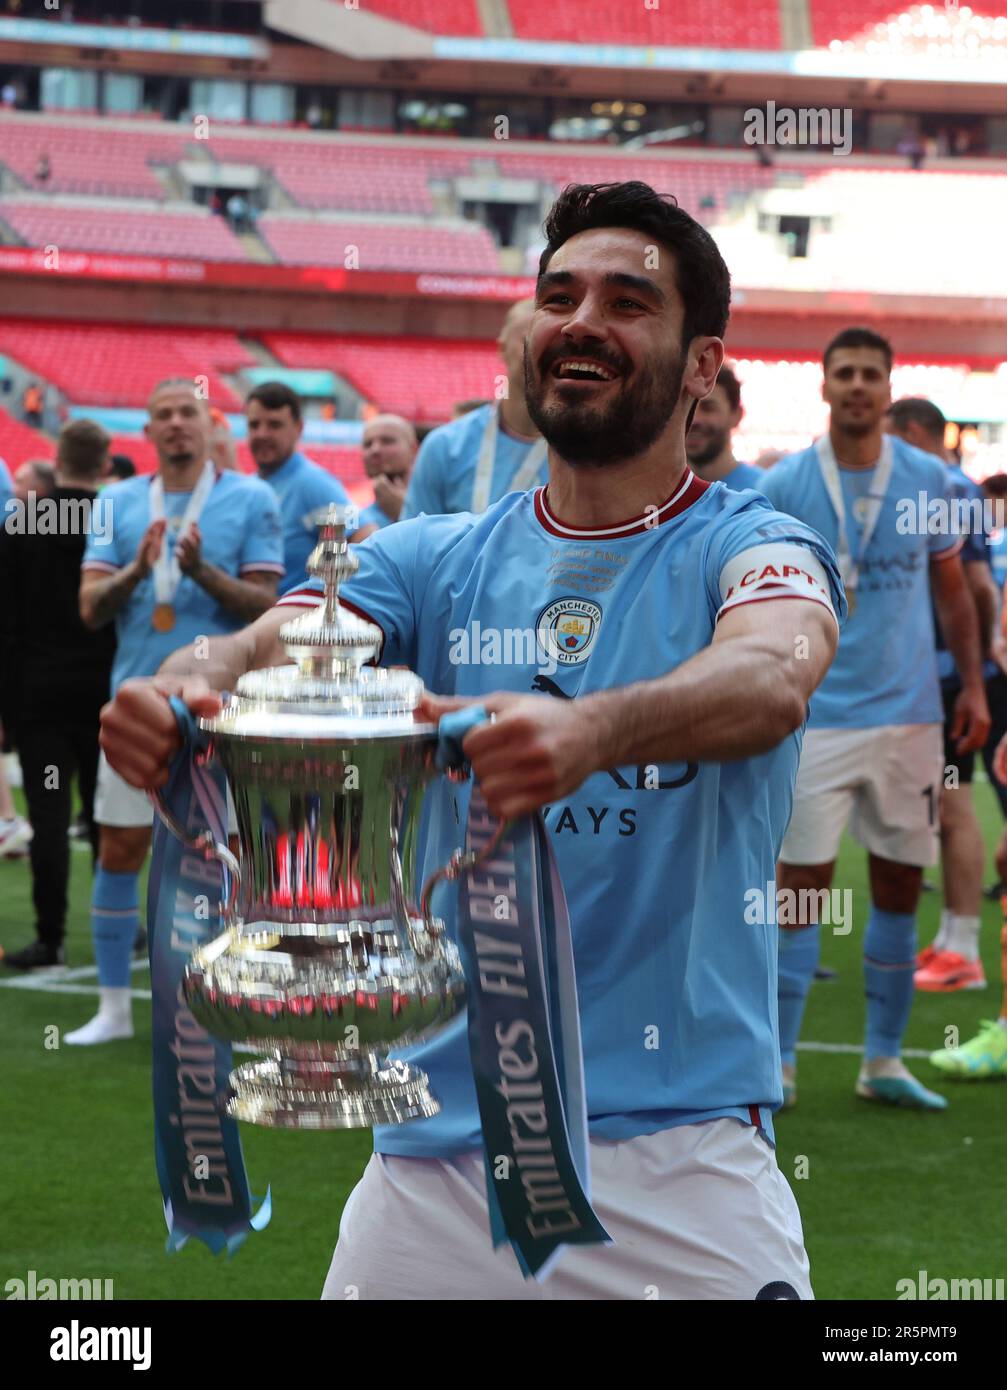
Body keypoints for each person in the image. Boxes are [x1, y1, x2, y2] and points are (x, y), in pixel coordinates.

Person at [101, 180, 845, 1300]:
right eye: (559, 294)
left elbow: (773, 671)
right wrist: (176, 688)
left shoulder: (753, 540)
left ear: (702, 365)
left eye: (628, 300)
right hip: (431, 1169)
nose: (582, 318)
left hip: (677, 1162)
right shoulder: (421, 556)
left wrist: (595, 728)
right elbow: (270, 643)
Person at [759, 327, 989, 1111]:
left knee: (896, 884)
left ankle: (882, 1062)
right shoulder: (785, 484)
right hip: (813, 714)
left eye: (870, 375)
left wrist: (972, 689)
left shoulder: (928, 479)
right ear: (823, 388)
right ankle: (779, 1068)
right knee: (800, 888)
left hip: (909, 716)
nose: (857, 386)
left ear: (888, 391)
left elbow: (950, 591)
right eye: (844, 374)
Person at [67, 379, 284, 1045]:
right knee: (121, 845)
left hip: (227, 709)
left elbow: (266, 608)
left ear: (206, 422)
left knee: (236, 856)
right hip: (138, 704)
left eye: (186, 412)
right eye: (161, 415)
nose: (175, 425)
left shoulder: (250, 497)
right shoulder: (117, 502)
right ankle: (111, 1008)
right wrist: (137, 571)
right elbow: (89, 607)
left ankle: (228, 1008)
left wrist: (200, 574)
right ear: (149, 432)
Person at [884, 397, 1001, 992]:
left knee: (950, 807)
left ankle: (964, 952)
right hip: (952, 675)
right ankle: (955, 942)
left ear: (908, 433)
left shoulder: (939, 487)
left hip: (946, 678)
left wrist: (974, 669)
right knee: (940, 805)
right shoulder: (958, 487)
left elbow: (975, 586)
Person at [0, 420, 117, 968]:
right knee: (105, 815)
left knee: (48, 818)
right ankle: (118, 930)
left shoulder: (20, 522)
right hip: (105, 690)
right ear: (104, 462)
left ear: (56, 458)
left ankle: (50, 938)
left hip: (36, 690)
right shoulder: (114, 518)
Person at [401, 300, 548, 519]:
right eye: (530, 340)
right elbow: (415, 546)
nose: (541, 353)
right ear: (502, 349)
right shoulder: (445, 447)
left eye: (552, 344)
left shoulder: (582, 454)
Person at [245, 381, 361, 592]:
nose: (262, 434)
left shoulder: (312, 483)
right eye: (254, 425)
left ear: (298, 428)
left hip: (290, 620)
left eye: (274, 425)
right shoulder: (251, 486)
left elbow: (361, 535)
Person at [684, 363, 764, 491]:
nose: (694, 420)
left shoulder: (764, 491)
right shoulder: (660, 493)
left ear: (736, 415)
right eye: (687, 409)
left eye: (708, 408)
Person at [356, 414, 417, 535]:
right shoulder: (357, 523)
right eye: (368, 444)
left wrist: (404, 512)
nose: (375, 449)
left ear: (413, 449)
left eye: (387, 441)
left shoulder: (441, 508)